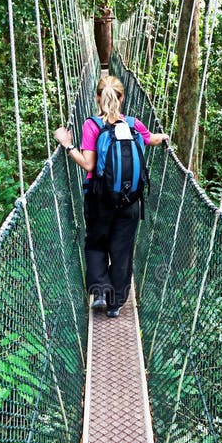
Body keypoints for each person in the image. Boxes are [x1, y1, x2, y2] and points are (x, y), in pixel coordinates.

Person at [54, 75, 168, 318]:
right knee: (121, 250)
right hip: (130, 202)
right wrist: (164, 137)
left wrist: (67, 145)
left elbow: (88, 164)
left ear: (96, 98)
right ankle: (115, 304)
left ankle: (101, 292)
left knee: (96, 243)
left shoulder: (92, 125)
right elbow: (151, 139)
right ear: (122, 98)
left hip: (99, 199)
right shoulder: (133, 124)